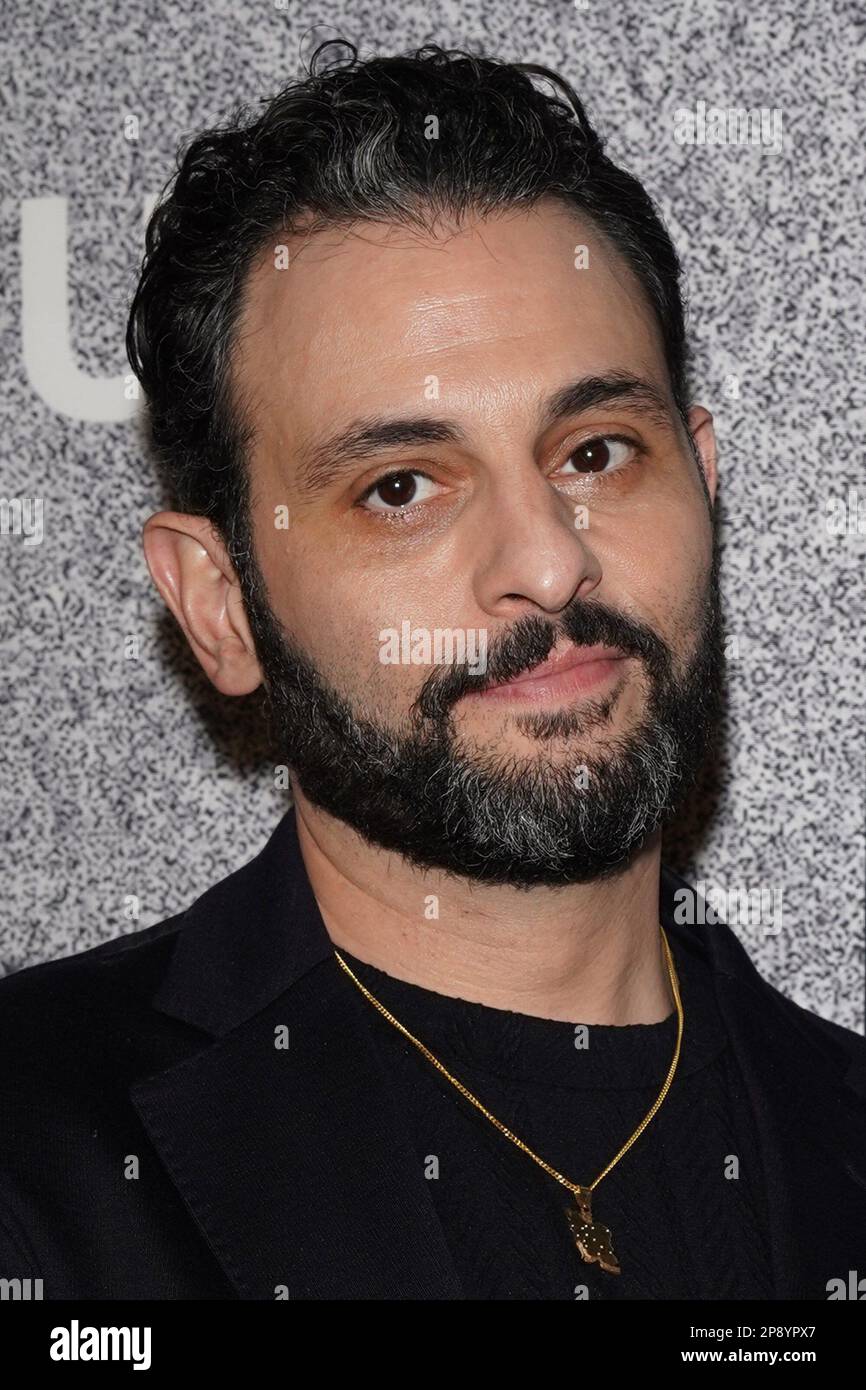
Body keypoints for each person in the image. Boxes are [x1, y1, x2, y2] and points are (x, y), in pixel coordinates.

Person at [1, 41, 864, 1302]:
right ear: (221, 602)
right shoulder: (35, 1160)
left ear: (702, 476)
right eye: (400, 486)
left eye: (597, 451)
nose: (546, 563)